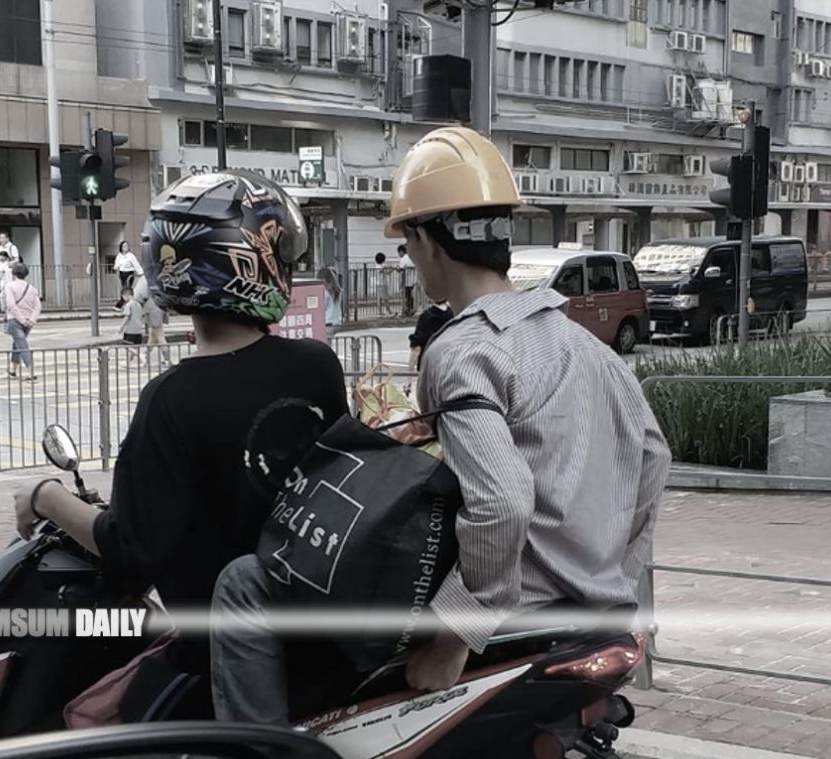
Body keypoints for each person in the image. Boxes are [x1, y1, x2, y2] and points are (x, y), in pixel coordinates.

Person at [208, 126, 673, 725]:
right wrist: (608, 578)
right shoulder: (591, 351)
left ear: (428, 240)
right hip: (591, 609)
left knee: (246, 582)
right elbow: (653, 461)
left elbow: (502, 503)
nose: (410, 257)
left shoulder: (463, 352)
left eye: (407, 242)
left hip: (505, 616)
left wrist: (454, 639)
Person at [12, 170, 349, 684]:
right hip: (325, 637)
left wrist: (45, 495)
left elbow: (129, 554)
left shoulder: (170, 401)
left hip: (223, 660)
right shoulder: (316, 365)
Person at [1, 263, 41, 380]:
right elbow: (37, 307)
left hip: (15, 320)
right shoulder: (32, 288)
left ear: (13, 274)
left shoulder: (10, 287)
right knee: (17, 344)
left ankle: (31, 372)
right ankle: (13, 370)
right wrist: (31, 320)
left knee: (22, 345)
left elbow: (11, 305)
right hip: (28, 322)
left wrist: (22, 320)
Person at [408, 297, 454, 372]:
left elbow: (416, 347)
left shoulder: (425, 317)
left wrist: (409, 373)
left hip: (429, 364)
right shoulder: (454, 315)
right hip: (450, 364)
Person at [118, 286, 145, 361]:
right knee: (134, 347)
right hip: (138, 330)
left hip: (130, 330)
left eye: (123, 297)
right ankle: (128, 362)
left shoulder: (128, 305)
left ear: (126, 295)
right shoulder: (139, 304)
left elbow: (127, 317)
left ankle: (141, 355)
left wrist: (121, 327)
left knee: (126, 345)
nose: (123, 299)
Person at [115, 241, 144, 308]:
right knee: (124, 289)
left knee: (126, 289)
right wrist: (117, 268)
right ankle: (128, 304)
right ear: (121, 248)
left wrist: (141, 273)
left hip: (129, 273)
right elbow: (117, 264)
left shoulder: (131, 256)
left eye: (127, 246)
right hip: (122, 273)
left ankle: (120, 304)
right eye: (124, 246)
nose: (126, 247)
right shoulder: (119, 256)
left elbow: (136, 264)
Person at [318, 267, 342, 339]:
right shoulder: (337, 290)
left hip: (327, 322)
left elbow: (322, 308)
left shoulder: (325, 292)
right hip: (336, 321)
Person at [399, 243, 417, 317]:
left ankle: (407, 310)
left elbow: (402, 271)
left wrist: (402, 282)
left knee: (406, 296)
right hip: (412, 280)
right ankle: (411, 309)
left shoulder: (403, 259)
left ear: (401, 251)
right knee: (410, 296)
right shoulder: (412, 257)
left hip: (406, 281)